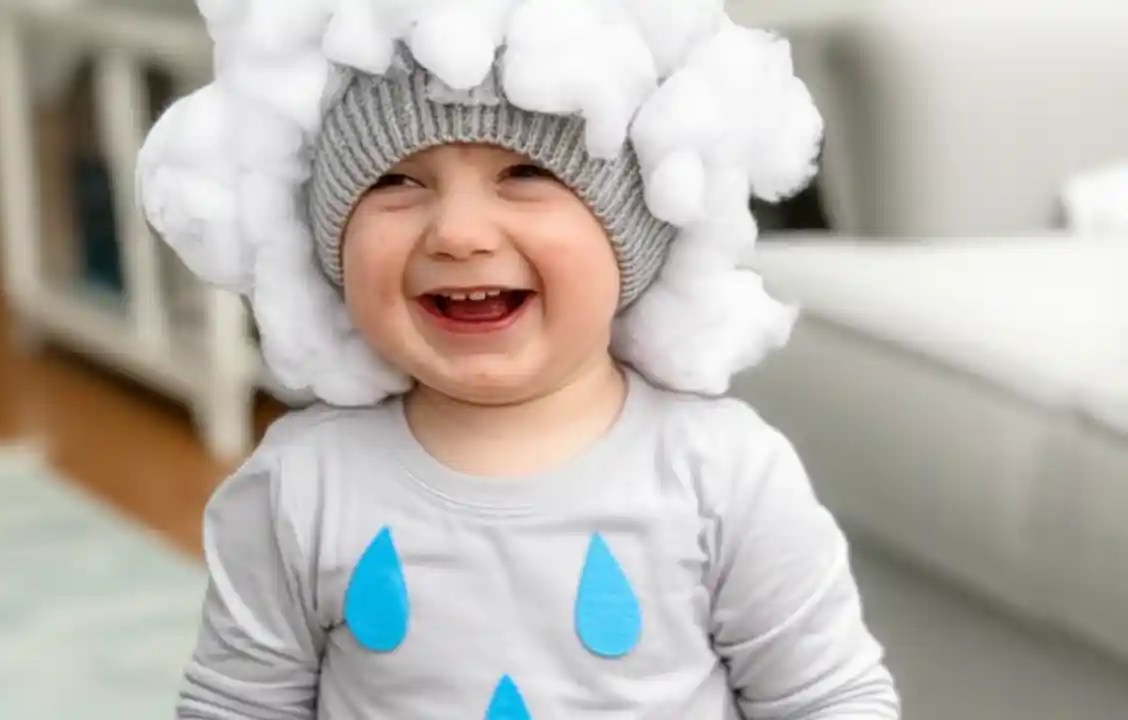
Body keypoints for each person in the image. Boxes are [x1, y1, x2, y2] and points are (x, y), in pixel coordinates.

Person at [139, 2, 900, 718]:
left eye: (527, 175)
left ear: (633, 230)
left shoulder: (723, 473)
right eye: (396, 181)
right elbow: (236, 707)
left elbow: (828, 697)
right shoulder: (297, 490)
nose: (459, 232)